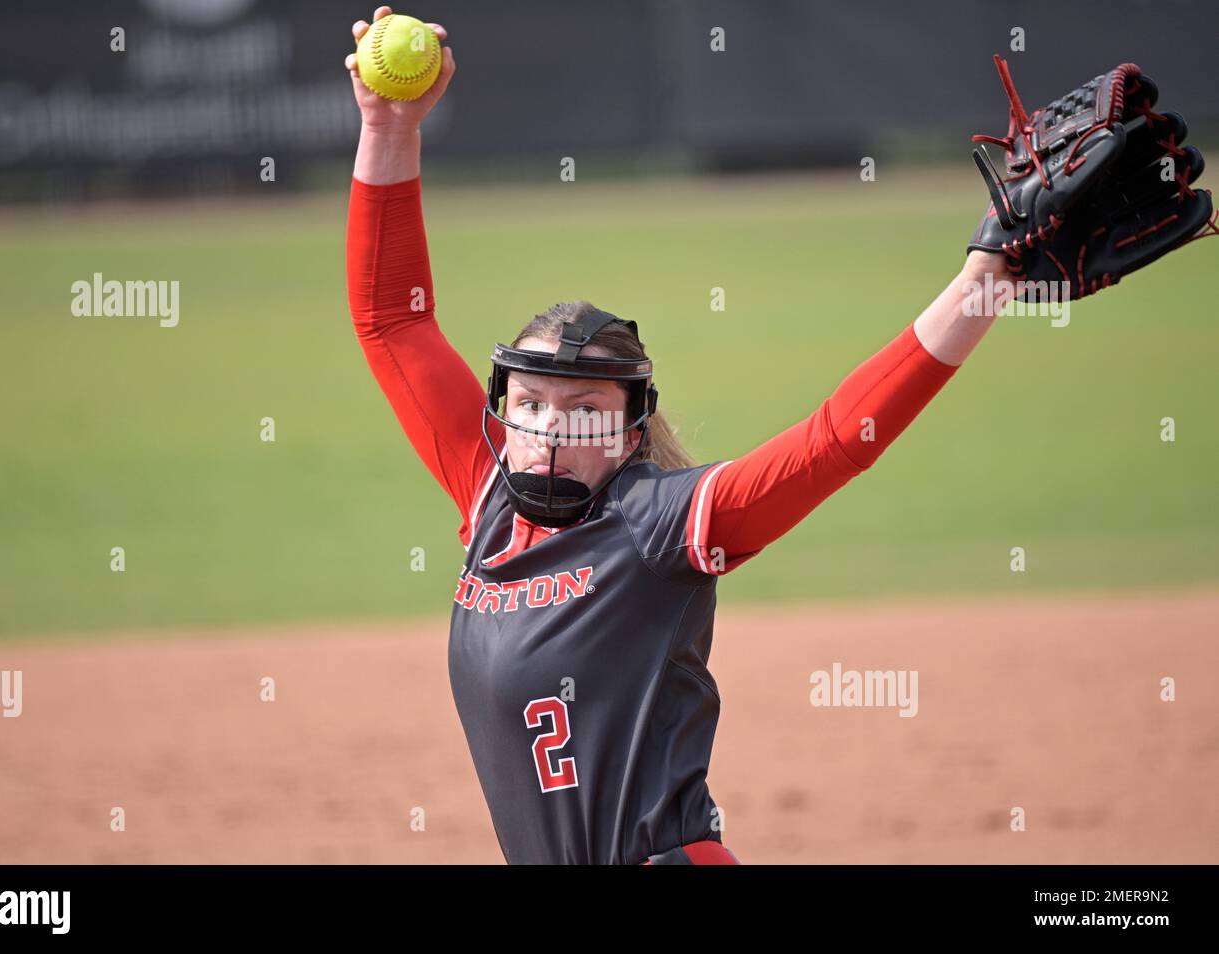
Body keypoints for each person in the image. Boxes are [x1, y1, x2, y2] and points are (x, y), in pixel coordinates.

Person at [341, 8, 1188, 864]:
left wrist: (985, 281)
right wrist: (388, 126)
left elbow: (834, 440)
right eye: (530, 402)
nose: (550, 429)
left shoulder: (660, 522)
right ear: (503, 408)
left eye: (584, 406)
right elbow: (390, 322)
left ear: (632, 431)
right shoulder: (485, 493)